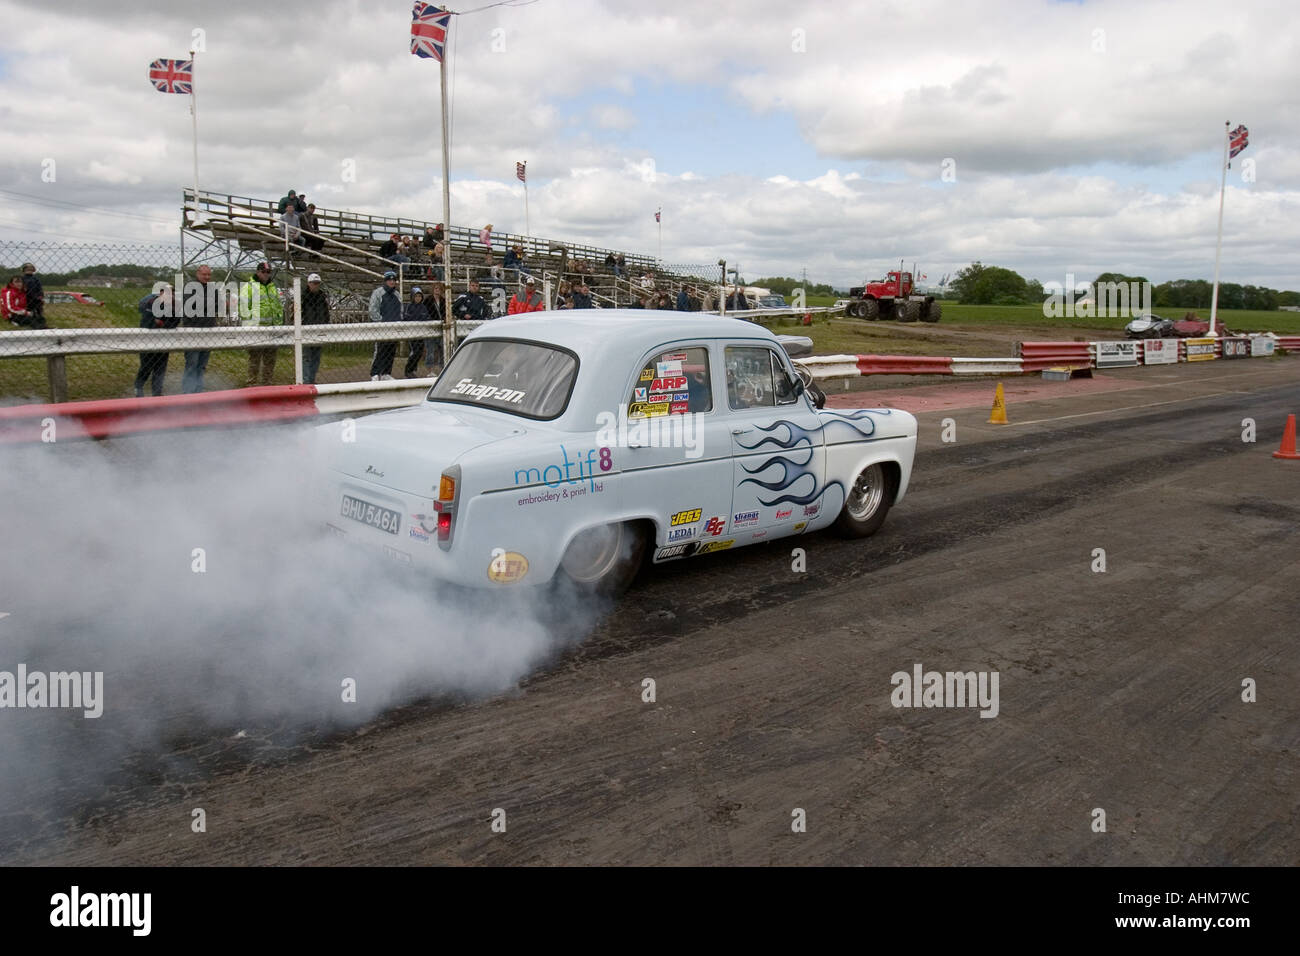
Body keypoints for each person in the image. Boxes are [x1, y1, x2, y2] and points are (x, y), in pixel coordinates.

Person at [239, 262, 284, 387]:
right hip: (256, 329)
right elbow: (243, 307)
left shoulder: (272, 287)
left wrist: (279, 323)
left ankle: (267, 383)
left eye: (268, 272)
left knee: (270, 359)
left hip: (272, 329)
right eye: (264, 271)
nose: (266, 274)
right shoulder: (249, 287)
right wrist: (251, 325)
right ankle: (251, 383)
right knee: (255, 359)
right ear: (258, 272)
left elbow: (278, 307)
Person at [132, 284, 177, 397]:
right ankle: (138, 387)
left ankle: (157, 393)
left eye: (171, 293)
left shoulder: (174, 306)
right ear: (160, 293)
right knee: (146, 367)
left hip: (164, 342)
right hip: (148, 341)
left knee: (160, 369)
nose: (168, 295)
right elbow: (146, 323)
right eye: (165, 292)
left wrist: (161, 323)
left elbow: (174, 323)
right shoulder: (151, 302)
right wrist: (159, 323)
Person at [181, 264, 217, 392]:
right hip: (193, 331)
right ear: (198, 274)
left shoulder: (213, 289)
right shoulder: (190, 288)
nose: (207, 277)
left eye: (209, 275)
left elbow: (218, 306)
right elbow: (190, 307)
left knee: (202, 364)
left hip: (208, 331)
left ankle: (198, 391)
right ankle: (188, 392)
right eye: (204, 274)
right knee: (192, 363)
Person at [368, 270, 402, 380]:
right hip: (382, 327)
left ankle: (386, 373)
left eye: (393, 280)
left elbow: (400, 310)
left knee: (391, 350)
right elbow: (373, 310)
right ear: (385, 281)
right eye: (389, 280)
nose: (392, 282)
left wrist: (398, 321)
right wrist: (381, 322)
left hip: (394, 326)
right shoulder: (378, 293)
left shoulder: (397, 295)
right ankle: (375, 373)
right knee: (380, 350)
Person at [298, 272, 330, 385]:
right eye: (313, 283)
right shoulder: (302, 297)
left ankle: (312, 379)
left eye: (317, 283)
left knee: (316, 358)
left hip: (319, 330)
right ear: (309, 283)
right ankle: (306, 381)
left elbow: (326, 314)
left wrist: (326, 326)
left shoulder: (322, 297)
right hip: (306, 331)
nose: (315, 285)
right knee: (306, 357)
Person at [401, 286, 435, 378]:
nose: (418, 298)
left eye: (420, 296)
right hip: (412, 333)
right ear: (412, 297)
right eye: (416, 296)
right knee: (414, 351)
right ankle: (408, 370)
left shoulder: (423, 307)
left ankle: (413, 370)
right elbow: (407, 318)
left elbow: (426, 317)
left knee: (419, 352)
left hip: (421, 333)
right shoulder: (409, 306)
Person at [416, 280, 447, 376]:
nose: (437, 290)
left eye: (439, 288)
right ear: (433, 289)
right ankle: (430, 370)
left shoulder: (443, 300)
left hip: (441, 327)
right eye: (436, 288)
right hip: (430, 327)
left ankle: (442, 368)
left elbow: (446, 312)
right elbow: (425, 312)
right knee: (430, 350)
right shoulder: (428, 300)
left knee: (443, 349)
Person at [21, 263, 45, 328]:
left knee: (38, 306)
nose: (29, 270)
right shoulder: (22, 278)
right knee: (28, 308)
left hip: (36, 296)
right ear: (24, 270)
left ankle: (39, 316)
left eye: (31, 269)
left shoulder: (36, 279)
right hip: (26, 296)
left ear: (33, 270)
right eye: (27, 269)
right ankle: (29, 316)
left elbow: (39, 288)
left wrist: (41, 296)